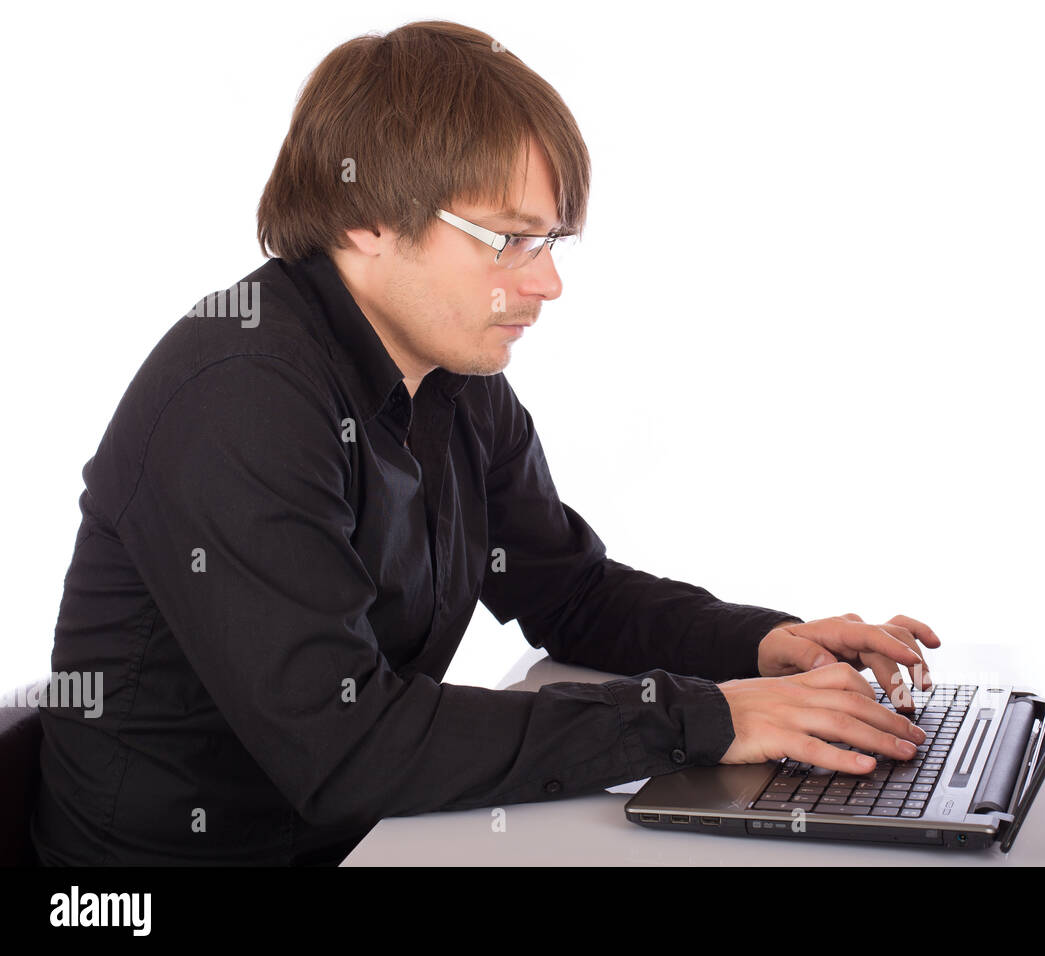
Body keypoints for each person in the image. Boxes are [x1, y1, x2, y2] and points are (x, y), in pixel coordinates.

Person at [32, 19, 939, 866]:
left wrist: (764, 646)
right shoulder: (238, 398)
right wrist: (703, 719)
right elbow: (346, 744)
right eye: (508, 239)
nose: (546, 282)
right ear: (365, 219)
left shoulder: (457, 383)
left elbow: (569, 592)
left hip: (362, 843)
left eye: (550, 241)